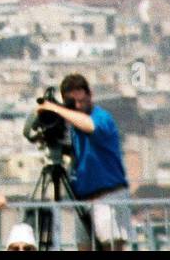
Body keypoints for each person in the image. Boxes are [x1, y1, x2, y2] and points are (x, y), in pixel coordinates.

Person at [36, 72, 131, 250]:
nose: (79, 106)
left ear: (90, 95)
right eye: (73, 103)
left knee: (111, 247)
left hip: (107, 196)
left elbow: (90, 126)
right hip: (84, 199)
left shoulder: (101, 117)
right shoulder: (73, 125)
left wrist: (56, 109)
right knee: (83, 247)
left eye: (82, 101)